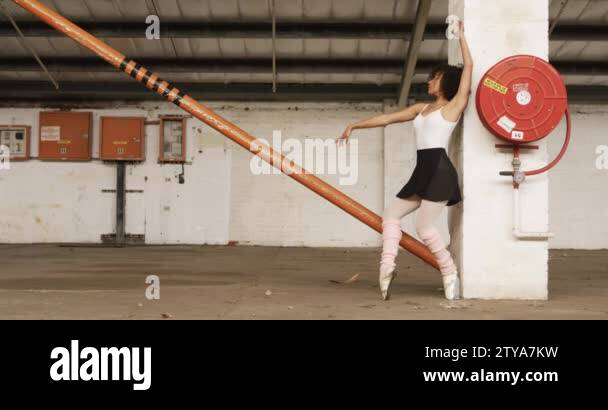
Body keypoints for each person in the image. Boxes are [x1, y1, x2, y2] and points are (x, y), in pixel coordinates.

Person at [336, 21, 472, 301]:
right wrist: (355, 126)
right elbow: (387, 118)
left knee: (424, 227)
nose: (429, 81)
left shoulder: (453, 107)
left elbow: (468, 70)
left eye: (434, 78)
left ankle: (449, 271)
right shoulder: (422, 109)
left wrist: (462, 36)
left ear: (445, 81)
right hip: (423, 168)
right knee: (391, 215)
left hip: (439, 169)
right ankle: (387, 267)